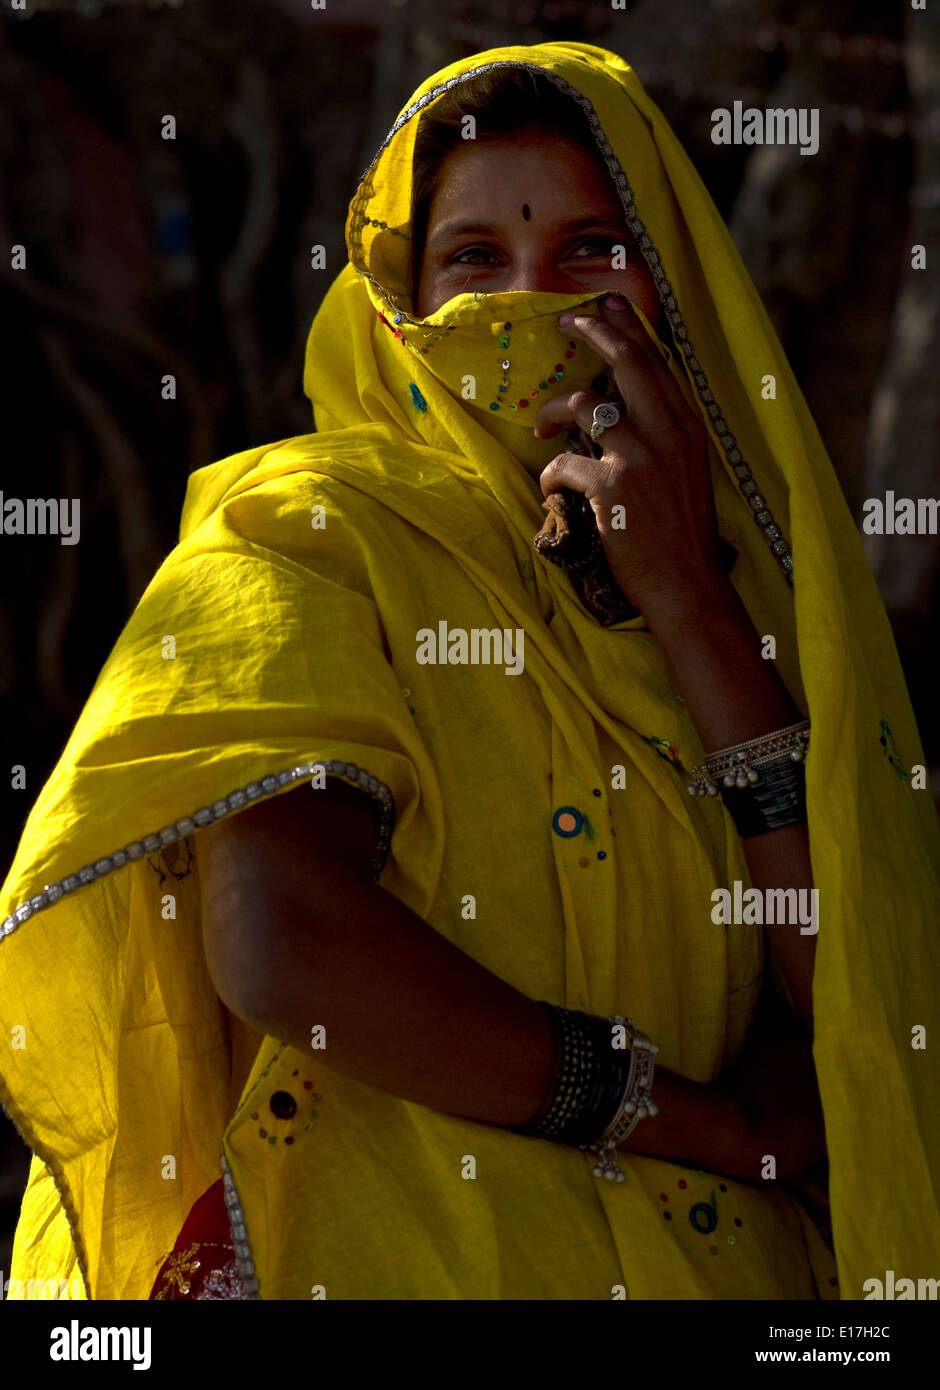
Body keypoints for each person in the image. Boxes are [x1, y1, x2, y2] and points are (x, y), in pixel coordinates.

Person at [2, 41, 938, 1303]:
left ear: (670, 290)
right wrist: (698, 1122)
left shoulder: (765, 602)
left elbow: (858, 1004)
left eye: (591, 254)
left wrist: (683, 597)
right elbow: (283, 944)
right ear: (396, 307)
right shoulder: (315, 535)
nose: (527, 307)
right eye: (473, 262)